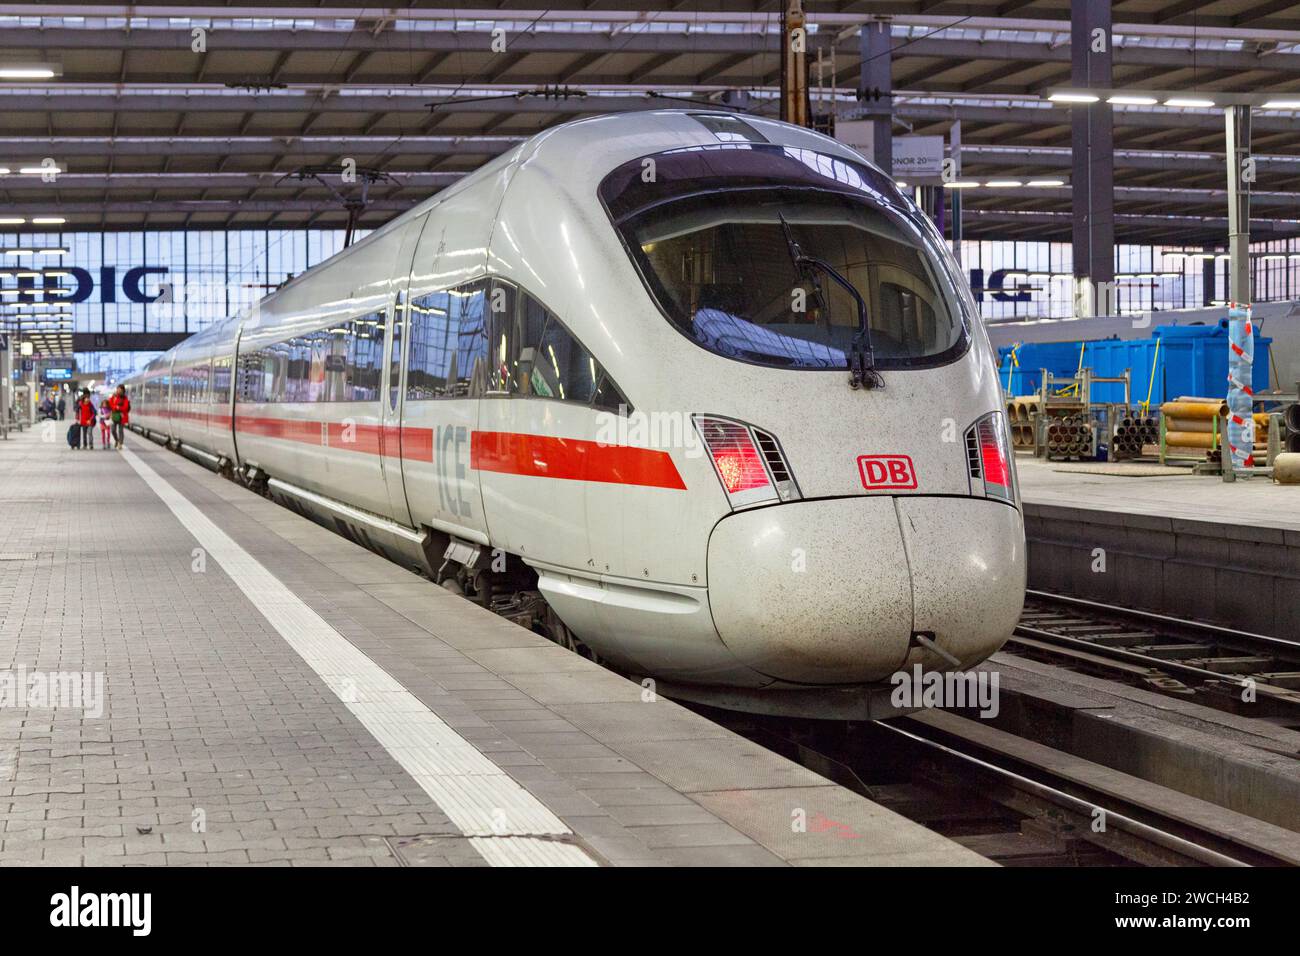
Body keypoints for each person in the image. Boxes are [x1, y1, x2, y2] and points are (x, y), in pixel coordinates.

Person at [106, 384, 131, 449]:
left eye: (120, 389)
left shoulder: (125, 398)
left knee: (120, 430)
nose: (118, 390)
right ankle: (116, 440)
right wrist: (115, 407)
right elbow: (110, 404)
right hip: (114, 415)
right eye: (118, 389)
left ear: (123, 390)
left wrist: (118, 408)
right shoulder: (113, 396)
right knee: (113, 430)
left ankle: (120, 443)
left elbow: (126, 407)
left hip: (121, 416)